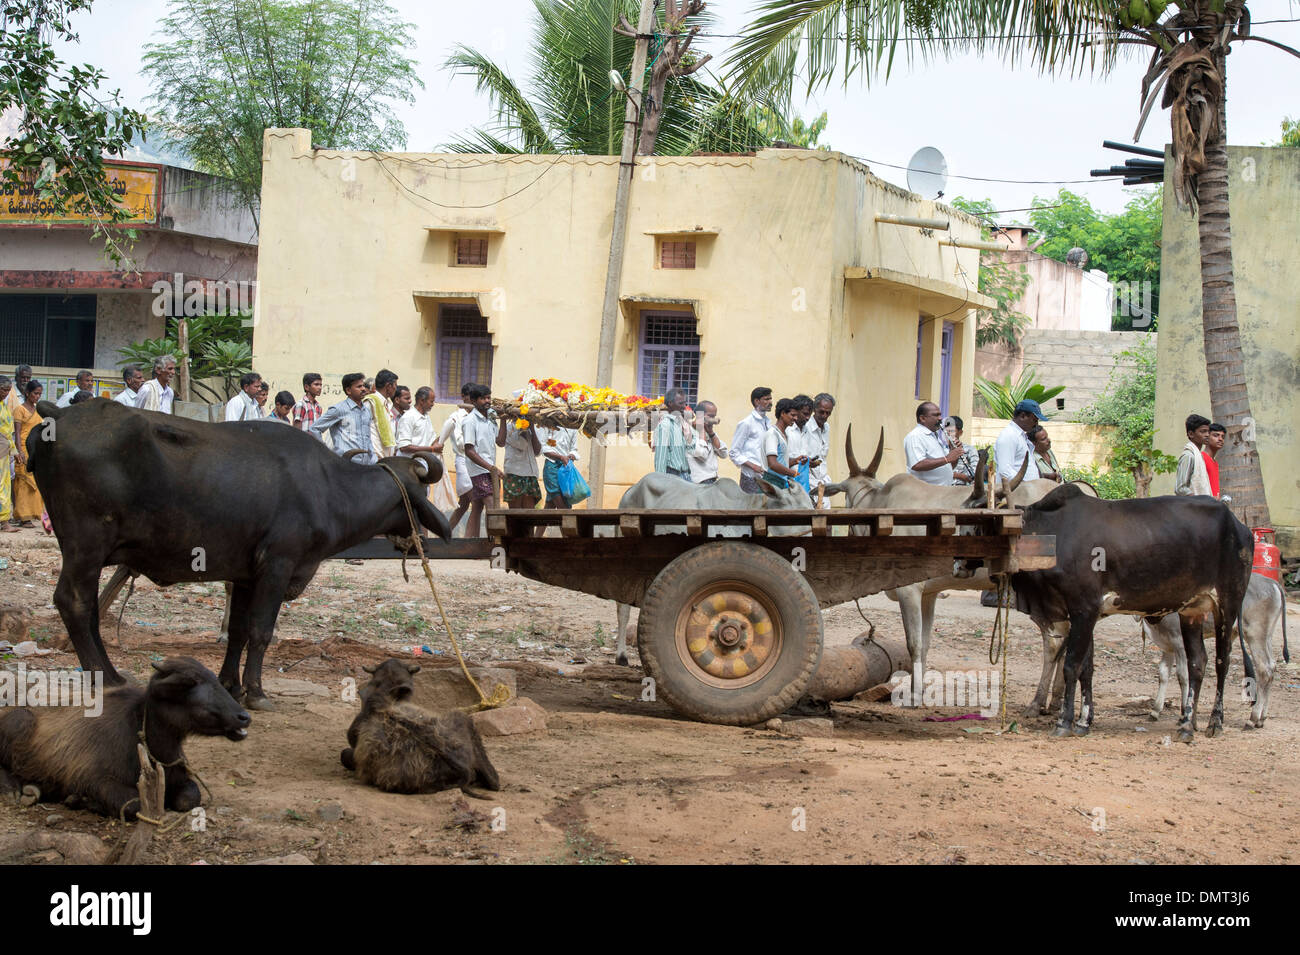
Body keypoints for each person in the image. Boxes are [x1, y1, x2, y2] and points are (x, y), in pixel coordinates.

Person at [460, 384, 499, 537]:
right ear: (474, 401)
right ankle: (495, 542)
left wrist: (502, 420)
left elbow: (500, 441)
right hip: (479, 470)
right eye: (483, 398)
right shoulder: (470, 421)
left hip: (490, 468)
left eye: (488, 397)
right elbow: (469, 450)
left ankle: (469, 542)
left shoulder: (491, 418)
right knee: (491, 505)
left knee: (477, 507)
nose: (487, 401)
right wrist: (490, 468)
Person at [311, 373, 373, 462]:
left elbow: (368, 438)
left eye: (363, 386)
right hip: (345, 464)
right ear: (348, 390)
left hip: (366, 465)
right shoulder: (338, 409)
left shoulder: (366, 411)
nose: (363, 389)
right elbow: (315, 429)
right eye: (359, 387)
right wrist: (326, 452)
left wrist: (373, 458)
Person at [443, 383, 478, 537]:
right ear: (463, 397)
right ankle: (471, 541)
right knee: (476, 503)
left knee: (463, 505)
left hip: (475, 464)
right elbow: (460, 442)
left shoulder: (478, 416)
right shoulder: (456, 418)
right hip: (464, 461)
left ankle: (444, 534)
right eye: (470, 397)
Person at [12, 379, 45, 527]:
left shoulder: (38, 410)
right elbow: (17, 433)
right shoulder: (20, 409)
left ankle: (32, 513)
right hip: (23, 447)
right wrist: (19, 451)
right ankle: (23, 516)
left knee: (35, 483)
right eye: (35, 393)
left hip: (35, 448)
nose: (37, 397)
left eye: (39, 394)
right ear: (27, 393)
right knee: (23, 482)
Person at [905, 401, 961, 486]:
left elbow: (949, 466)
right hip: (926, 494)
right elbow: (917, 464)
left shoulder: (934, 436)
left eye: (940, 415)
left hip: (941, 492)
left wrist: (954, 453)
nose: (940, 418)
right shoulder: (915, 436)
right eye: (936, 415)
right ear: (922, 418)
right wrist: (947, 458)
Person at [730, 386, 773, 494]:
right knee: (751, 509)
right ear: (757, 401)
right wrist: (754, 466)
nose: (770, 402)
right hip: (750, 478)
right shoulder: (746, 423)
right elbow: (734, 453)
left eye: (770, 399)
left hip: (766, 477)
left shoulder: (768, 422)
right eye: (766, 399)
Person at [497, 409, 542, 511]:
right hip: (514, 474)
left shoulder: (533, 429)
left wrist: (532, 428)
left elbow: (538, 451)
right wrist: (524, 428)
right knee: (515, 515)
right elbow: (522, 444)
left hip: (531, 474)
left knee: (529, 514)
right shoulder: (509, 428)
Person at [994, 399, 1042, 482]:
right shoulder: (1009, 435)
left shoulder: (1020, 436)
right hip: (1017, 492)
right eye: (1034, 420)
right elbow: (1005, 472)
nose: (1036, 424)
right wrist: (1025, 486)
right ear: (1023, 416)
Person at [652, 387, 692, 480]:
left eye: (685, 403)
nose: (684, 406)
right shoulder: (665, 425)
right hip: (673, 476)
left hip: (684, 475)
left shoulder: (681, 424)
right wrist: (660, 481)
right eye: (680, 403)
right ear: (670, 404)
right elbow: (661, 456)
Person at [760, 398, 801, 490]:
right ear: (782, 414)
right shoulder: (772, 435)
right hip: (772, 483)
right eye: (793, 415)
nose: (795, 418)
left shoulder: (784, 435)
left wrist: (794, 461)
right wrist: (793, 473)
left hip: (780, 482)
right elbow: (773, 464)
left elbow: (780, 462)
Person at [537, 423, 579, 509]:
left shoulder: (572, 427)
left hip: (566, 466)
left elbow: (574, 448)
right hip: (552, 464)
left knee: (560, 497)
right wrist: (560, 457)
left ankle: (544, 522)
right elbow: (543, 447)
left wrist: (571, 455)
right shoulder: (547, 423)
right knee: (555, 494)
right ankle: (568, 517)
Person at [686, 400, 728, 485]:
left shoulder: (709, 432)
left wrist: (711, 433)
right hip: (699, 484)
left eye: (714, 416)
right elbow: (702, 454)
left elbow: (724, 454)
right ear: (699, 415)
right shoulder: (689, 432)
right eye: (711, 416)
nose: (713, 419)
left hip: (712, 481)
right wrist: (701, 429)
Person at [805, 393, 835, 505]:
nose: (824, 416)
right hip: (807, 479)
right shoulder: (806, 427)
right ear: (814, 409)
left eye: (828, 413)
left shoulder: (827, 427)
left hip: (822, 480)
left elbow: (823, 457)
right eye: (821, 412)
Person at [1175, 413, 1213, 496]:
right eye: (1203, 431)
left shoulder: (1199, 456)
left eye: (1208, 431)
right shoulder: (1188, 456)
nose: (1207, 435)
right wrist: (1199, 501)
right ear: (1191, 434)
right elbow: (1180, 488)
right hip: (1191, 507)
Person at [365, 369, 399, 459]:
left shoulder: (388, 404)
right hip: (374, 455)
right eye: (395, 385)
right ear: (388, 386)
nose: (396, 388)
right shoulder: (371, 401)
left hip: (386, 456)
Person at [397, 387, 439, 456]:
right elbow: (404, 447)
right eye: (431, 401)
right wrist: (432, 449)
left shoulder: (426, 416)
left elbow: (430, 441)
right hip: (409, 463)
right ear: (422, 401)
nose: (433, 404)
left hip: (423, 462)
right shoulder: (408, 417)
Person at [942, 415, 980, 486]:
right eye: (946, 431)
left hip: (963, 490)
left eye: (952, 431)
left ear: (960, 432)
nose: (948, 434)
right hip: (944, 489)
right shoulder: (941, 450)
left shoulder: (970, 450)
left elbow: (974, 474)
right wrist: (959, 476)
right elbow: (937, 473)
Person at [787, 394, 814, 492]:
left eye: (809, 415)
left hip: (803, 481)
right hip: (788, 481)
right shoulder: (787, 431)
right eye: (805, 414)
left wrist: (809, 461)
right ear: (796, 411)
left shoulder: (807, 431)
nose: (807, 418)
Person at [0, 376, 16, 531]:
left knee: (4, 485)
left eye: (8, 390)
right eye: (3, 390)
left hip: (4, 451)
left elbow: (8, 430)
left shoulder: (4, 406)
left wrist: (14, 450)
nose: (6, 393)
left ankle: (4, 521)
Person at [1203, 422, 1230, 501]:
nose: (1220, 439)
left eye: (1223, 436)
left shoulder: (1215, 463)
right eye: (1216, 435)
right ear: (1207, 438)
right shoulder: (1201, 458)